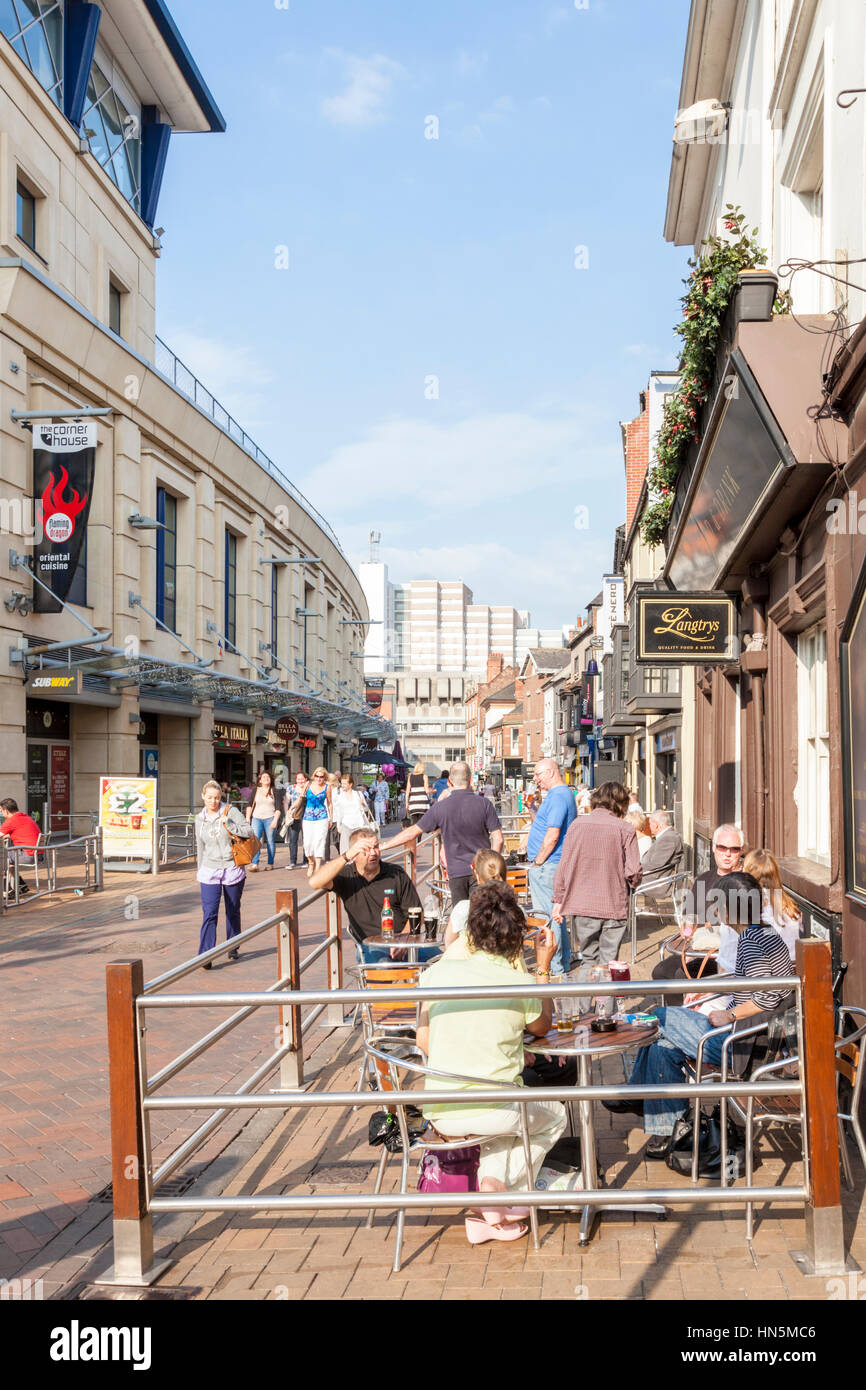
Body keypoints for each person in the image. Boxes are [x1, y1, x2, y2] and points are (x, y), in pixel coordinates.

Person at [416, 882, 567, 1244]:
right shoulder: (519, 981)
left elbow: (423, 1041)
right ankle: (499, 1187)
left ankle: (490, 1208)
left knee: (506, 1124)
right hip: (497, 1106)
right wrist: (543, 967)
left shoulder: (435, 974)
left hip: (440, 1107)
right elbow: (543, 1026)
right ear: (516, 936)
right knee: (554, 1116)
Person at [607, 873, 795, 1156]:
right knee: (663, 1047)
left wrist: (729, 1016)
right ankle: (670, 1132)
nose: (716, 910)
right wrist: (715, 993)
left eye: (719, 904)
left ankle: (637, 1094)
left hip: (742, 1044)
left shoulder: (752, 942)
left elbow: (768, 998)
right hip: (752, 1037)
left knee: (661, 1016)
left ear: (731, 909)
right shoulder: (764, 932)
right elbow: (760, 987)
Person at [552, 781, 642, 972]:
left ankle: (584, 1002)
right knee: (609, 964)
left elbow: (564, 866)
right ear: (621, 804)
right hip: (613, 904)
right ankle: (605, 1003)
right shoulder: (625, 829)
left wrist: (559, 899)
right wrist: (633, 883)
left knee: (588, 960)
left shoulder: (577, 825)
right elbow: (633, 871)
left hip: (582, 904)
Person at [388, 762, 503, 905]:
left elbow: (412, 832)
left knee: (460, 916)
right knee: (483, 914)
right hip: (481, 868)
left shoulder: (440, 807)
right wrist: (491, 867)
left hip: (456, 870)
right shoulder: (484, 804)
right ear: (470, 780)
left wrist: (383, 846)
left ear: (450, 781)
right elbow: (498, 839)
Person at [650, 822, 745, 988]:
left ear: (741, 851)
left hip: (727, 955)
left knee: (681, 977)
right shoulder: (703, 879)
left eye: (734, 849)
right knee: (660, 972)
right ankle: (675, 1014)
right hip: (698, 948)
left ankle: (691, 1013)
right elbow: (689, 918)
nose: (727, 854)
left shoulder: (745, 883)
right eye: (722, 848)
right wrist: (688, 934)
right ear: (714, 848)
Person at [309, 827, 425, 962]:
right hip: (371, 945)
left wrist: (404, 938)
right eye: (365, 849)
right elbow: (314, 882)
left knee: (442, 960)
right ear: (354, 854)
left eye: (376, 847)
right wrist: (346, 856)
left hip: (405, 940)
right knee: (383, 968)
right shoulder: (345, 876)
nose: (373, 853)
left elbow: (417, 913)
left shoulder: (395, 873)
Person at [194, 780, 255, 967]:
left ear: (221, 797)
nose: (213, 801)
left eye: (217, 798)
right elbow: (200, 846)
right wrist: (200, 870)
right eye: (210, 798)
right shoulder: (199, 818)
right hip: (209, 869)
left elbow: (248, 831)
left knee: (232, 908)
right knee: (209, 913)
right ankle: (206, 954)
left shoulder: (231, 812)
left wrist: (229, 824)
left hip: (232, 867)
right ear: (203, 796)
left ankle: (233, 944)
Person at [525, 758, 576, 977]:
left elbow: (553, 834)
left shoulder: (558, 797)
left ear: (551, 772)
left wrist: (538, 861)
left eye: (538, 774)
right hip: (551, 863)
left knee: (547, 917)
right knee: (555, 916)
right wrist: (532, 809)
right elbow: (545, 826)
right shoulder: (559, 796)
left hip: (548, 865)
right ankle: (562, 961)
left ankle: (554, 966)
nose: (535, 779)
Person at [742, 849, 802, 962]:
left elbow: (727, 965)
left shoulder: (741, 911)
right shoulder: (791, 908)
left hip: (755, 976)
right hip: (789, 976)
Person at [443, 848, 507, 948]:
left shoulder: (462, 909)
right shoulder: (517, 911)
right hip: (506, 963)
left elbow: (449, 945)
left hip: (469, 961)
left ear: (477, 876)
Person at [0, 798, 40, 897]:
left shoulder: (11, 821)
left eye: (1, 811)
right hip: (38, 855)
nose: (1, 813)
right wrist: (7, 835)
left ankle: (7, 890)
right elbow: (20, 832)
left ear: (6, 811)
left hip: (28, 855)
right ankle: (21, 885)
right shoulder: (25, 817)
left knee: (3, 858)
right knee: (10, 858)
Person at [246, 770, 282, 872]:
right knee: (255, 841)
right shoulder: (255, 790)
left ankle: (270, 863)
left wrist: (275, 820)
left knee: (270, 841)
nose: (266, 779)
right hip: (256, 818)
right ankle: (255, 864)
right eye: (264, 777)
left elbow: (278, 808)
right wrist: (248, 818)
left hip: (270, 818)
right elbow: (250, 804)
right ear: (260, 780)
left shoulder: (275, 791)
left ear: (271, 780)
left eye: (268, 777)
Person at [302, 767, 332, 879]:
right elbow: (300, 798)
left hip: (322, 817)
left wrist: (331, 818)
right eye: (317, 776)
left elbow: (330, 803)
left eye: (321, 776)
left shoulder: (327, 787)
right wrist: (292, 808)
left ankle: (318, 867)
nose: (319, 778)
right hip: (308, 817)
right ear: (314, 776)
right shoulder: (308, 785)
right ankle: (311, 862)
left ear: (325, 777)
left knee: (319, 841)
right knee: (307, 843)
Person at [640, 809, 684, 882]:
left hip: (653, 882)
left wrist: (636, 868)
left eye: (650, 824)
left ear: (655, 825)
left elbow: (654, 864)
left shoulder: (668, 838)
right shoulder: (667, 836)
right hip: (650, 878)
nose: (649, 826)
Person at [336, 773, 370, 853]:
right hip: (346, 825)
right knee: (345, 849)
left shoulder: (358, 794)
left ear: (350, 784)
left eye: (344, 783)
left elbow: (366, 809)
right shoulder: (340, 796)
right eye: (341, 783)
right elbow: (339, 812)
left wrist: (363, 804)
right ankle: (347, 865)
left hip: (359, 824)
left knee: (360, 847)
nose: (342, 785)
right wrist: (338, 825)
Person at [284, 772, 309, 868]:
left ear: (306, 779)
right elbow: (286, 801)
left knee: (306, 839)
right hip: (294, 815)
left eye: (302, 779)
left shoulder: (308, 789)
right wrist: (287, 813)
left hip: (307, 815)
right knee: (293, 839)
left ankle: (306, 860)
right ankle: (292, 861)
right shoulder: (291, 788)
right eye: (298, 779)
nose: (300, 781)